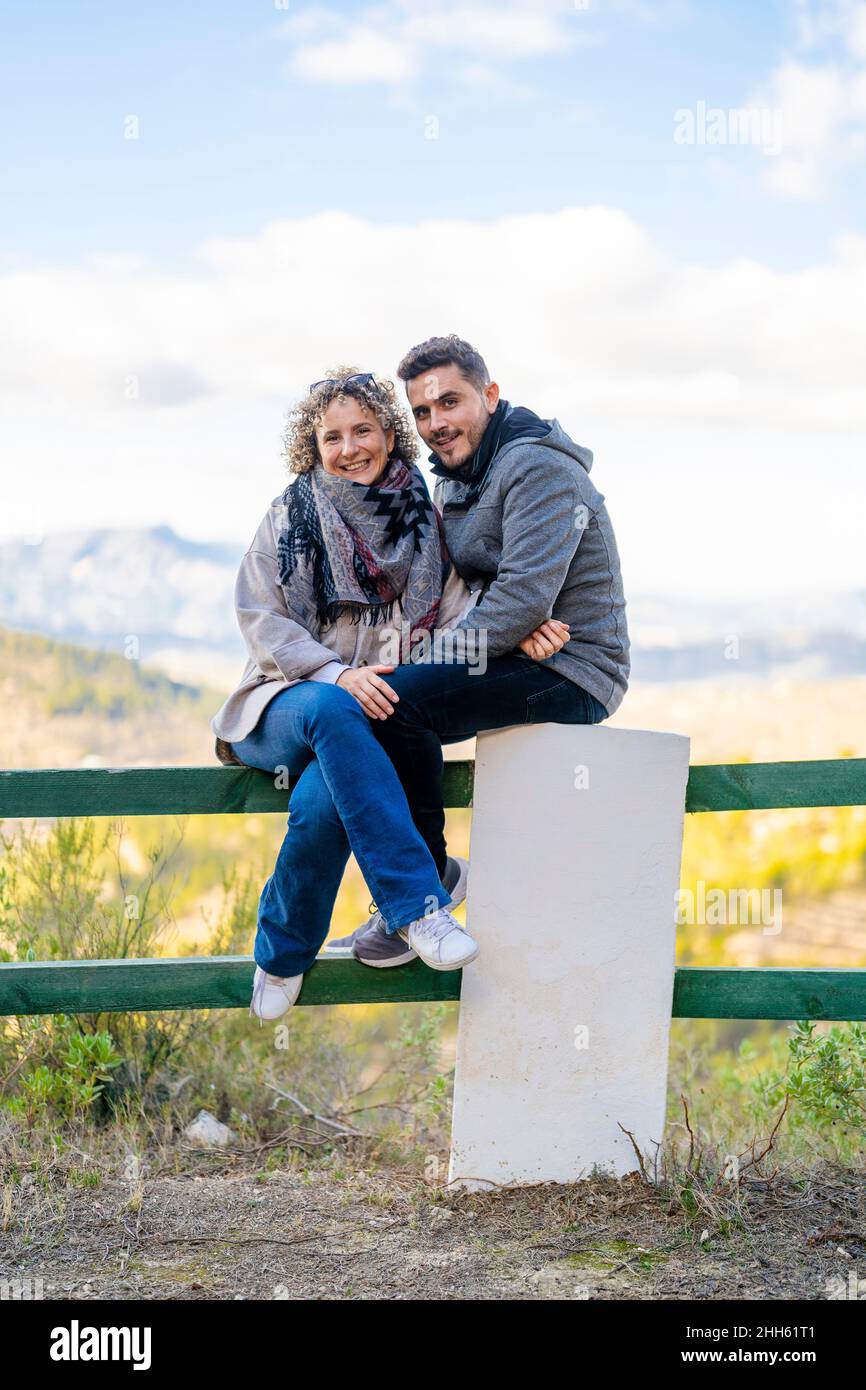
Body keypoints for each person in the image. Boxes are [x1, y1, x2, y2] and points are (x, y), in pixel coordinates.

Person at [211, 368, 570, 1018]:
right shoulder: (289, 515)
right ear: (312, 447)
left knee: (323, 804)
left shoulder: (423, 522)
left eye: (363, 430)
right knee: (334, 706)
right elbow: (258, 616)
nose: (349, 447)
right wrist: (333, 672)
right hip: (282, 702)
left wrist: (521, 629)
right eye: (332, 437)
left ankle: (281, 953)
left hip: (359, 722)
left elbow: (464, 612)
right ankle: (419, 907)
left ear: (388, 434)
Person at [335, 336, 630, 969]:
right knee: (389, 700)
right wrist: (511, 623)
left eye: (449, 402)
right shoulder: (454, 485)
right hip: (518, 653)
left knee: (394, 701)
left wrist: (513, 620)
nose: (436, 424)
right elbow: (481, 593)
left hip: (574, 669)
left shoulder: (538, 468)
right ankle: (424, 885)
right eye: (420, 412)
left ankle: (424, 894)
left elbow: (522, 596)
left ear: (490, 396)